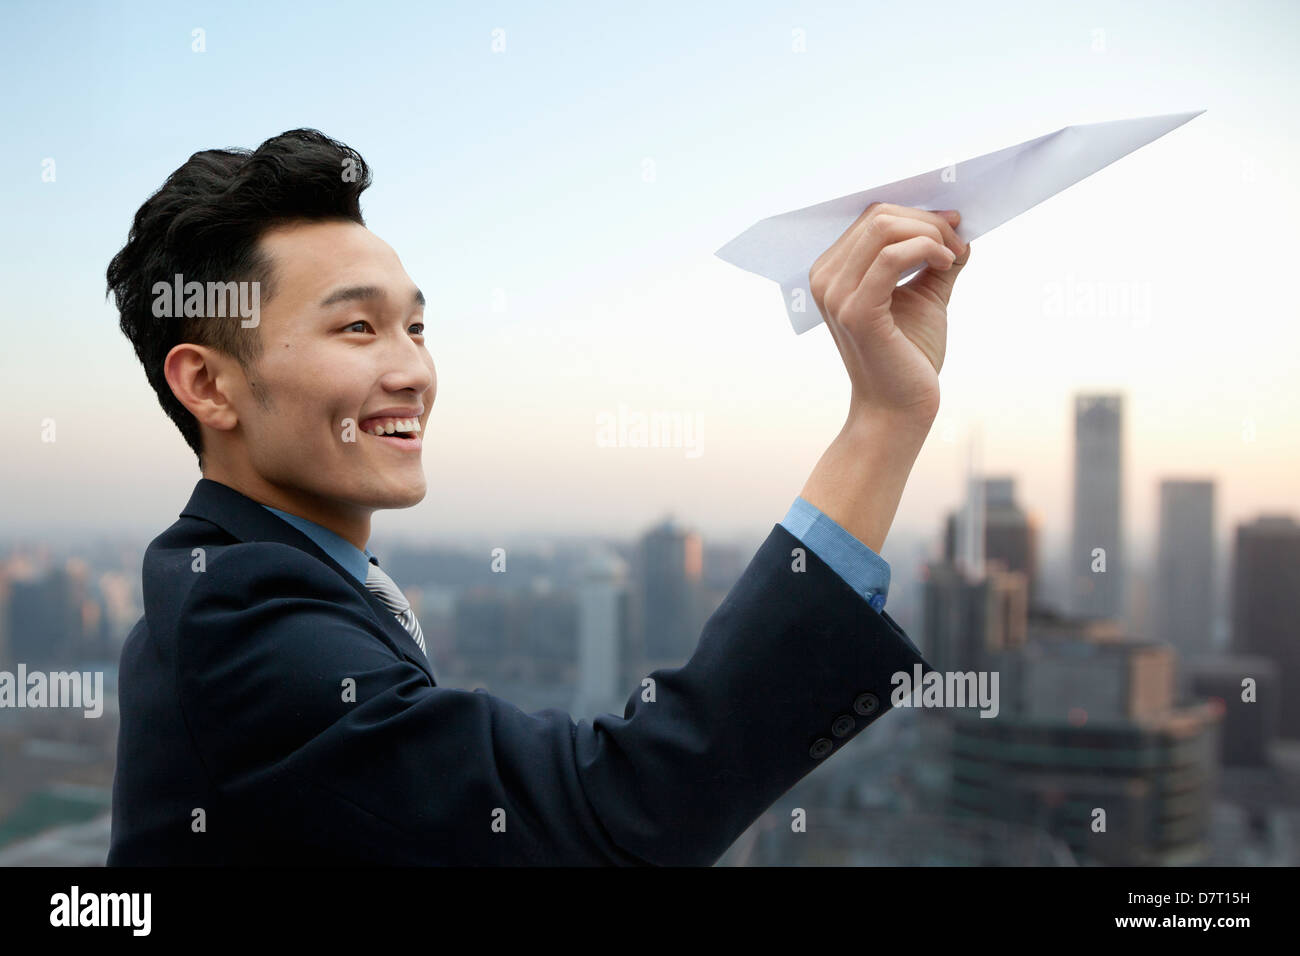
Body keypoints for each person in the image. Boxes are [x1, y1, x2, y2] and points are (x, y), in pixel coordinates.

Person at [104, 129, 971, 865]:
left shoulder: (254, 591)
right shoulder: (238, 620)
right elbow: (621, 810)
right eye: (357, 327)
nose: (411, 371)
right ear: (209, 388)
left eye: (415, 326)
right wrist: (883, 422)